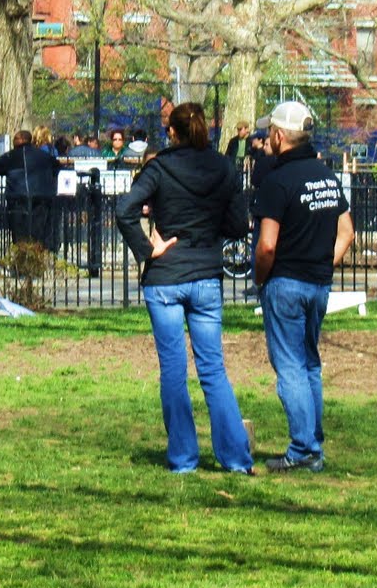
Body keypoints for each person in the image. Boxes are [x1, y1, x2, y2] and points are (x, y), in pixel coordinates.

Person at [114, 102, 253, 474]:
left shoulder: (159, 168)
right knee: (213, 369)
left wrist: (148, 249)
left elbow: (125, 210)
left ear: (171, 132)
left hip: (166, 276)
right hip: (206, 274)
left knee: (173, 370)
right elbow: (239, 225)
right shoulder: (224, 167)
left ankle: (183, 458)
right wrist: (208, 227)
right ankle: (236, 458)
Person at [252, 100, 354, 473]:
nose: (267, 138)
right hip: (318, 284)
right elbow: (347, 232)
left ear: (280, 136)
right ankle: (314, 446)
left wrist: (261, 278)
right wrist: (325, 263)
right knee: (310, 364)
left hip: (286, 283)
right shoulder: (327, 176)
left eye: (269, 132)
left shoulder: (276, 181)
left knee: (290, 367)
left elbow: (267, 245)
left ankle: (302, 449)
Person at [0, 128, 58, 247]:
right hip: (41, 198)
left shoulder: (11, 156)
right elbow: (56, 167)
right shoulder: (43, 156)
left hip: (18, 198)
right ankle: (37, 254)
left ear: (20, 140)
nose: (13, 141)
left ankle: (22, 255)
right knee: (38, 235)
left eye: (15, 139)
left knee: (19, 236)